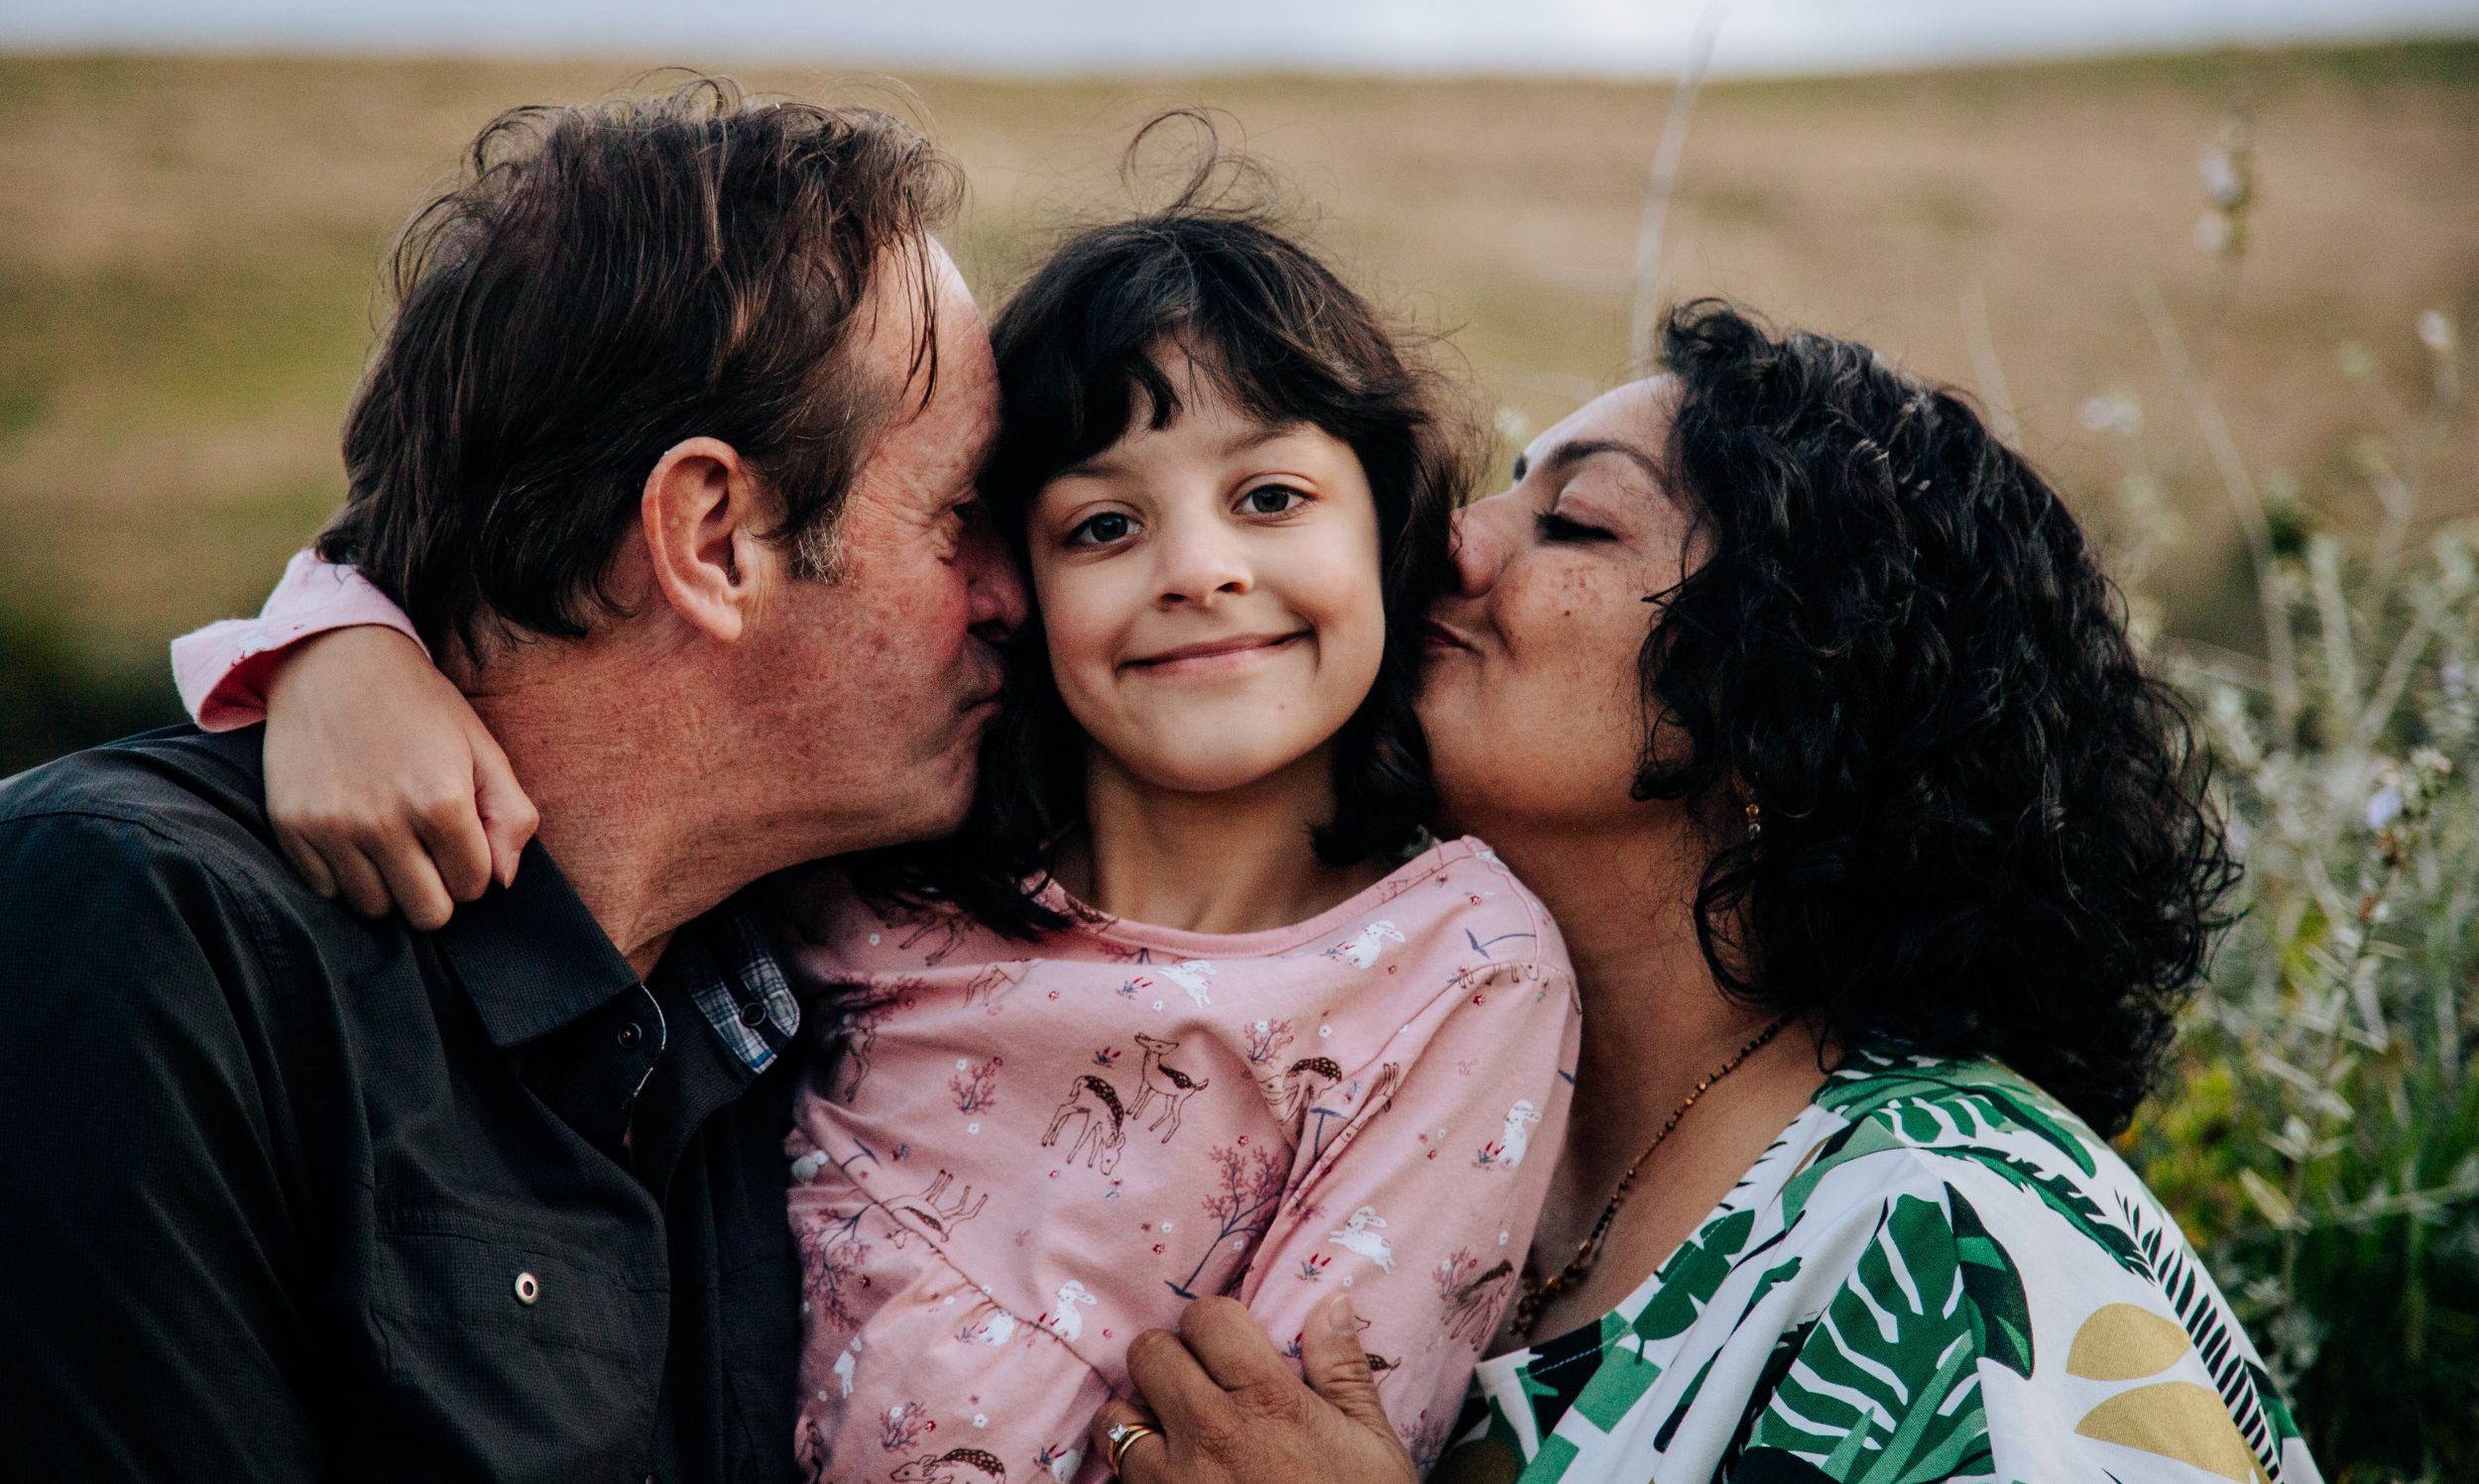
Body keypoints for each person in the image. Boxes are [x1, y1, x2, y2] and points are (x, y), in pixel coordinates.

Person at [164, 170, 1582, 1482]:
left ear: (1392, 525)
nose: (1201, 569)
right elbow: (566, 660)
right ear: (1018, 578)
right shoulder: (872, 887)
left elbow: (1279, 1430)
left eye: (1270, 498)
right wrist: (340, 637)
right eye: (1102, 526)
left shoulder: (1453, 964)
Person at [1078, 303, 2324, 1483]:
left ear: (1783, 698)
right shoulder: (1429, 1118)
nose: (1450, 534)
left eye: (1573, 520)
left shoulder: (1958, 1235)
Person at [0, 78, 1026, 1482]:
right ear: (712, 537)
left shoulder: (832, 994)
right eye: (959, 517)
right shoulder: (151, 939)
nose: (1015, 594)